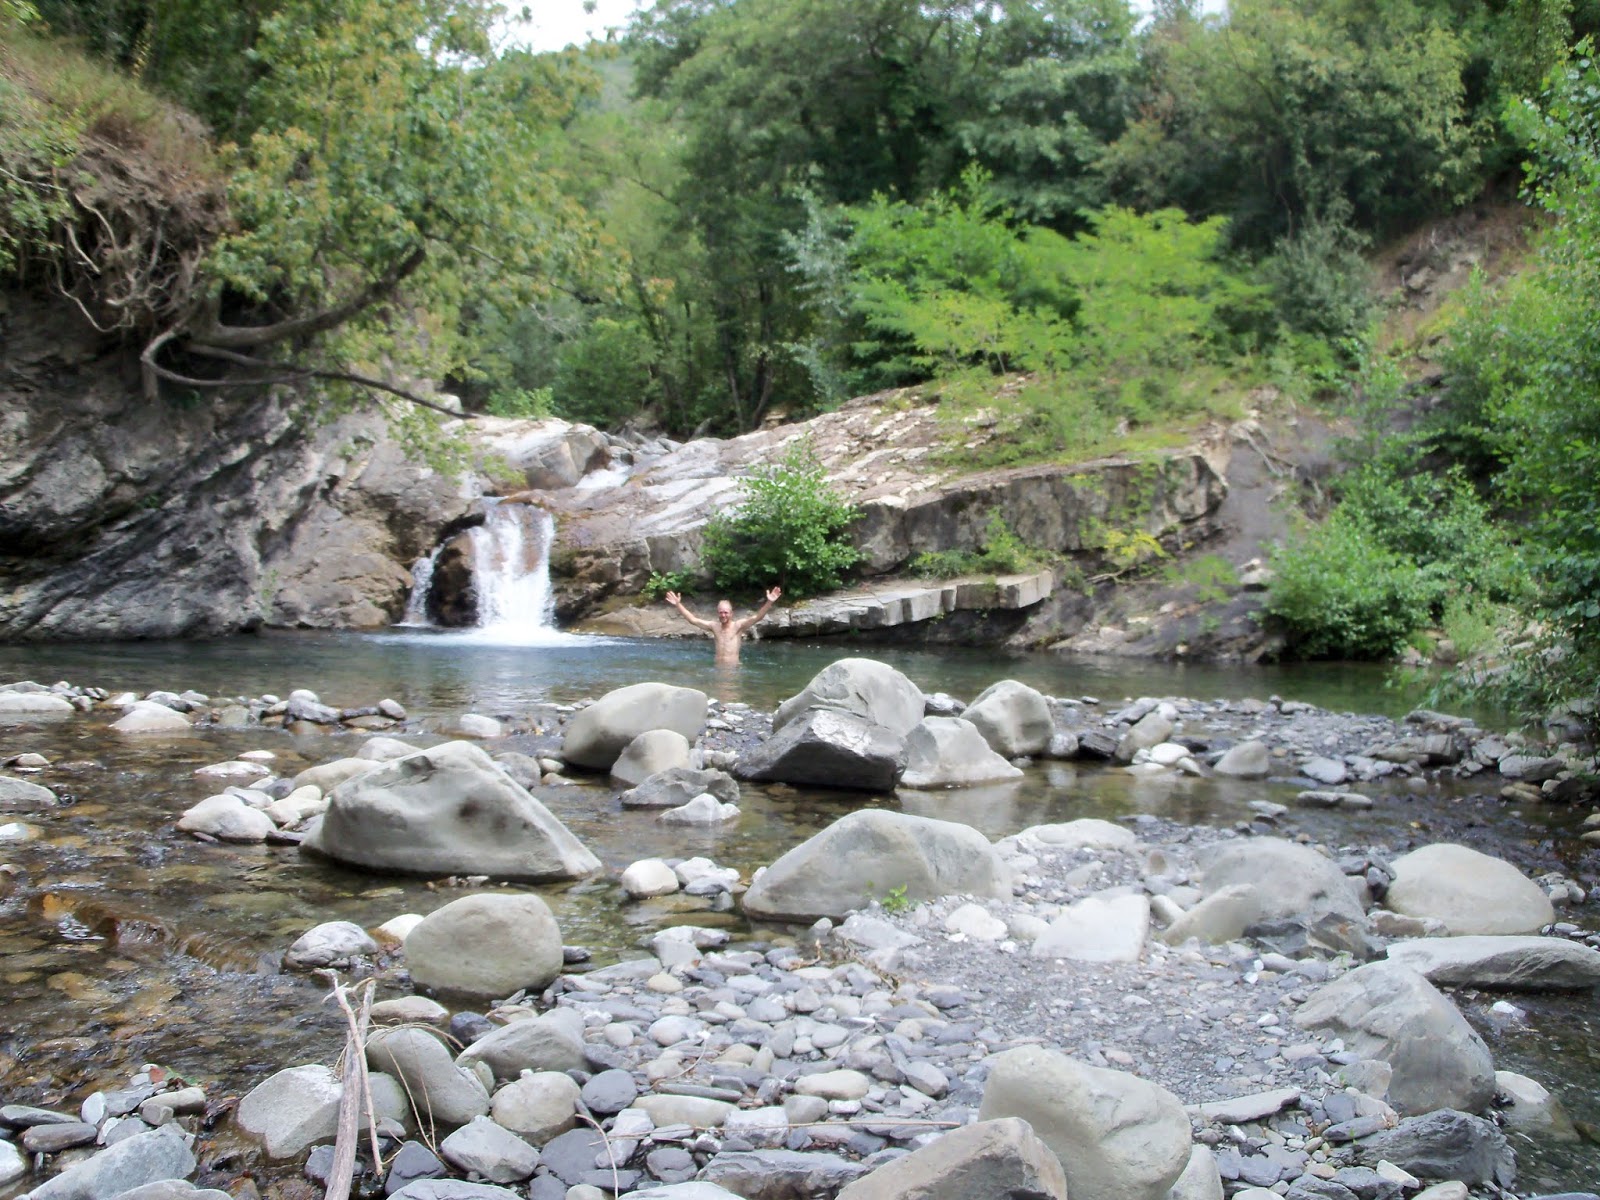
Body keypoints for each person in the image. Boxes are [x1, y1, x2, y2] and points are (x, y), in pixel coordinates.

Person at [664, 586, 782, 664]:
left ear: (731, 613)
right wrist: (678, 605)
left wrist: (769, 601)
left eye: (726, 612)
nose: (723, 615)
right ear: (718, 613)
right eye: (721, 612)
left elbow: (757, 617)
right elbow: (693, 620)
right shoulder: (714, 626)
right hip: (718, 669)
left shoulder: (738, 626)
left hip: (733, 669)